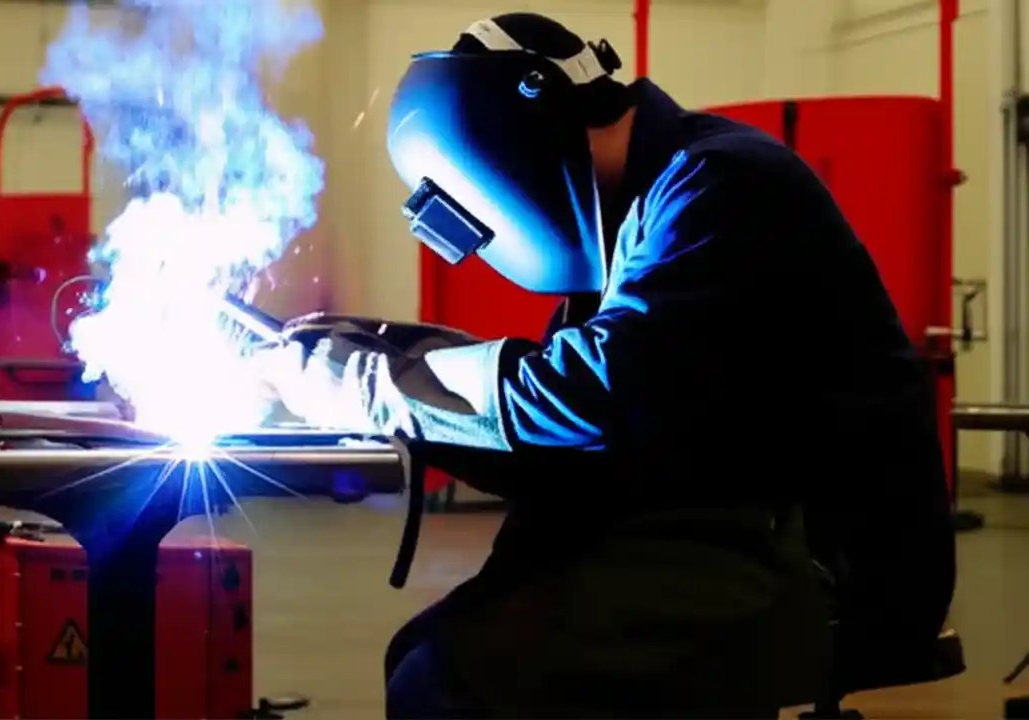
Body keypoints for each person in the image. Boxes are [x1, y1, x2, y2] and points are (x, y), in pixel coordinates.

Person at [254, 12, 956, 719]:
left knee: (450, 680)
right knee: (423, 652)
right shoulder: (633, 216)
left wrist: (371, 385)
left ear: (506, 142)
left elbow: (587, 396)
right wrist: (386, 355)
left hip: (826, 561)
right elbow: (571, 443)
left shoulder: (720, 184)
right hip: (719, 524)